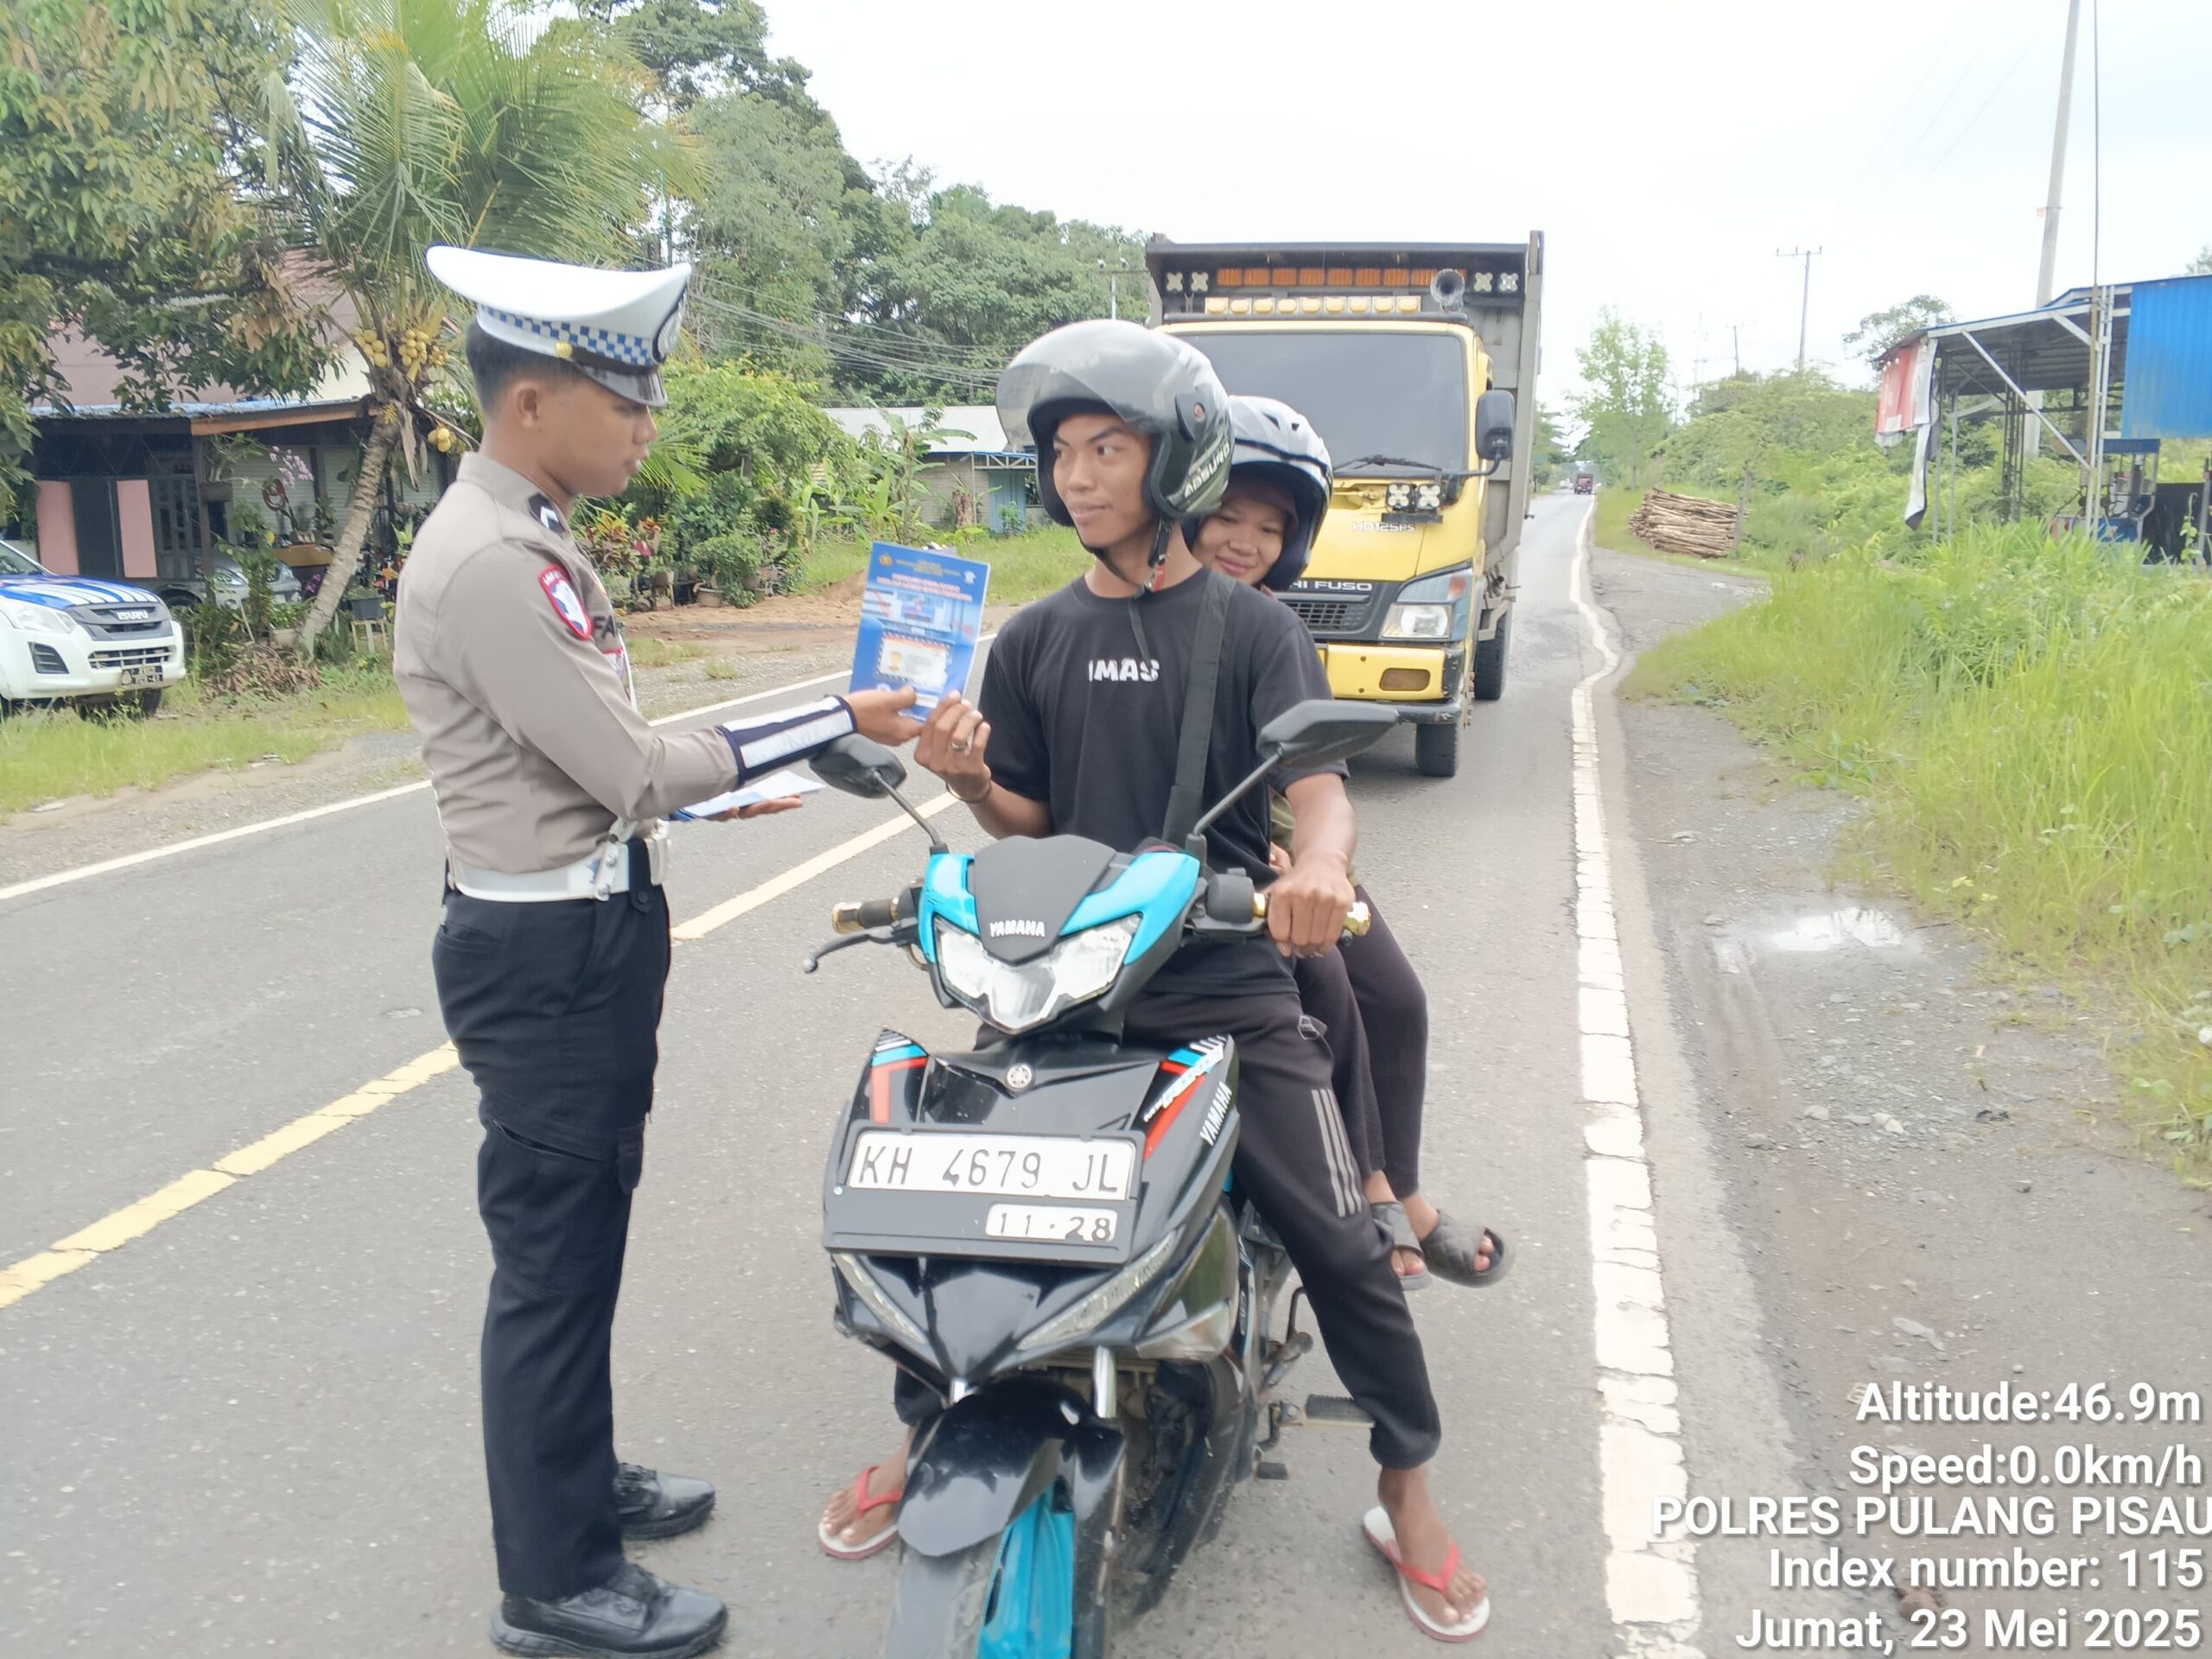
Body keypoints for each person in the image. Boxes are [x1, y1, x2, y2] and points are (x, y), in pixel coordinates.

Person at [819, 320, 1488, 1642]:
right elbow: (1031, 819)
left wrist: (1320, 870)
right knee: (957, 1208)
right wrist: (968, 777)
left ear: (1175, 461)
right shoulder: (1035, 636)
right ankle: (937, 1422)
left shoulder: (1253, 628)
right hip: (1059, 982)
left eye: (1106, 449)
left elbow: (1318, 789)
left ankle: (1406, 1487)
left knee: (1341, 1241)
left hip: (1222, 981)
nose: (1076, 475)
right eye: (1063, 452)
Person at [397, 245, 923, 1659]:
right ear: (532, 403)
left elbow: (598, 763)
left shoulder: (528, 530)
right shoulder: (495, 561)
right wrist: (832, 716)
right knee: (553, 1261)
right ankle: (557, 1580)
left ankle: (577, 1474)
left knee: (585, 1232)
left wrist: (744, 774)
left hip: (581, 935)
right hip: (548, 956)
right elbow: (630, 769)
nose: (645, 426)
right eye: (624, 402)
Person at [1191, 396, 1510, 1294]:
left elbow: (1311, 777)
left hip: (1276, 860)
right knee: (1322, 982)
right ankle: (1363, 1188)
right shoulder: (1123, 617)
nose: (1245, 541)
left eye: (1269, 528)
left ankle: (1399, 1191)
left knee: (1394, 999)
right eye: (1228, 516)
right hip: (1169, 871)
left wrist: (1309, 857)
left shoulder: (1273, 628)